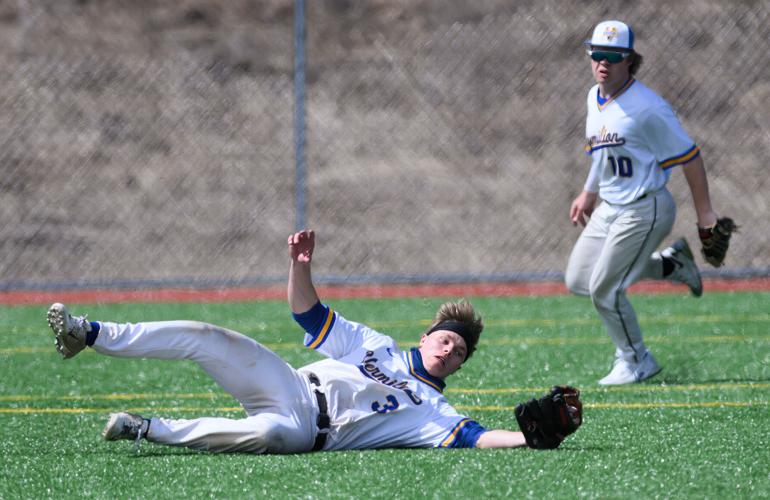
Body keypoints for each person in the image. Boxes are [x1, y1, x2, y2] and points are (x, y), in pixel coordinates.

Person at [46, 229, 532, 453]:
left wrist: (532, 438)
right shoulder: (375, 345)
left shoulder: (433, 410)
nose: (450, 351)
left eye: (460, 352)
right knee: (206, 336)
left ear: (459, 366)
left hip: (309, 434)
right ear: (427, 338)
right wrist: (300, 267)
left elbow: (476, 437)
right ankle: (88, 333)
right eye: (447, 340)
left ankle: (147, 428)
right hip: (292, 387)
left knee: (270, 435)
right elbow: (308, 313)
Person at [565, 20, 721, 385]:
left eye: (613, 57)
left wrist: (705, 214)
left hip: (645, 207)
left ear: (630, 60)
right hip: (611, 205)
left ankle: (637, 360)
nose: (603, 63)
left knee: (605, 289)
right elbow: (601, 150)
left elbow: (691, 157)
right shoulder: (595, 95)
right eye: (597, 54)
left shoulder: (649, 108)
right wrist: (590, 190)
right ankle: (670, 267)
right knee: (578, 280)